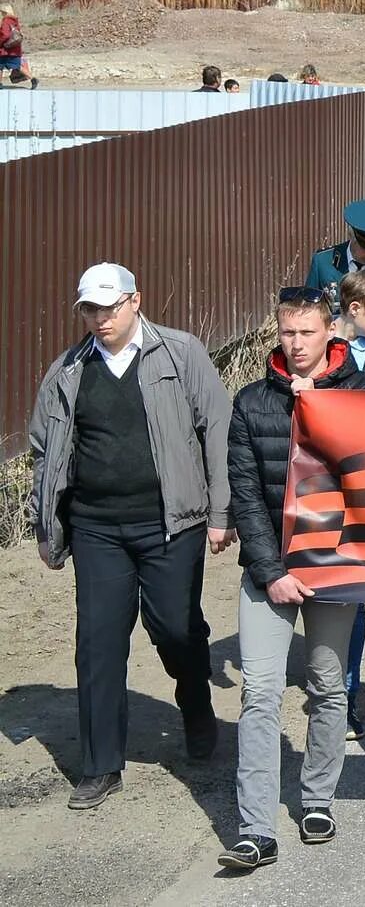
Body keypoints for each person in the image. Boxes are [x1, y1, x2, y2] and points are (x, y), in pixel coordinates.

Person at [28, 263, 228, 811]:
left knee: (176, 629)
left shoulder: (180, 354)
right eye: (90, 310)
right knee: (98, 643)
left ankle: (195, 705)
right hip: (97, 528)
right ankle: (100, 765)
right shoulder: (69, 370)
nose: (100, 319)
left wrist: (221, 511)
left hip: (172, 523)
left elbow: (216, 428)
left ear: (135, 301)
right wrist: (48, 524)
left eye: (109, 307)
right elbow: (45, 448)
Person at [219, 288, 365, 872]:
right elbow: (245, 494)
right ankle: (256, 829)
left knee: (327, 685)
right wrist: (271, 572)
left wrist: (323, 411)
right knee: (259, 692)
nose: (297, 344)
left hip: (334, 568)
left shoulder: (364, 394)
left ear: (331, 331)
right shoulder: (252, 402)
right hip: (270, 571)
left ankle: (317, 800)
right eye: (288, 333)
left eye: (307, 332)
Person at [0, 0, 36, 87]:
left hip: (6, 50)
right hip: (15, 49)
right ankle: (33, 79)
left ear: (3, 12)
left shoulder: (6, 21)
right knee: (18, 66)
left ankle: (0, 84)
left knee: (0, 66)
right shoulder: (15, 21)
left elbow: (5, 35)